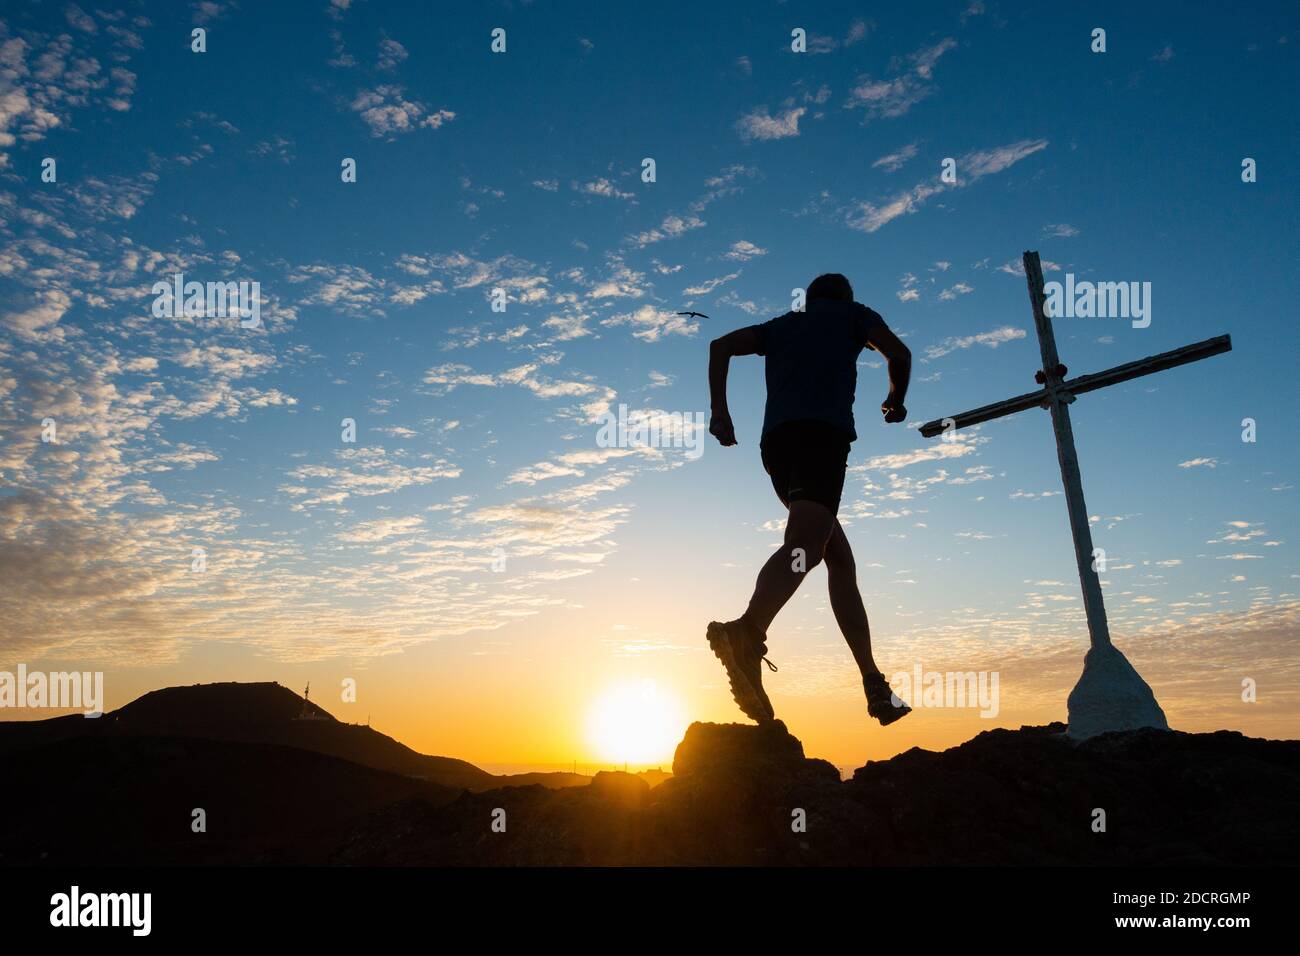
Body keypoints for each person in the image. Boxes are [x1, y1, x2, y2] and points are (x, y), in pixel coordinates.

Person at [706, 272, 913, 726]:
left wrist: (720, 413)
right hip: (821, 440)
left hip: (777, 448)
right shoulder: (855, 316)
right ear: (844, 297)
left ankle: (873, 683)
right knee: (805, 548)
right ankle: (746, 632)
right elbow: (899, 354)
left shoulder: (781, 326)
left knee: (835, 556)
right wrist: (895, 400)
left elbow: (719, 345)